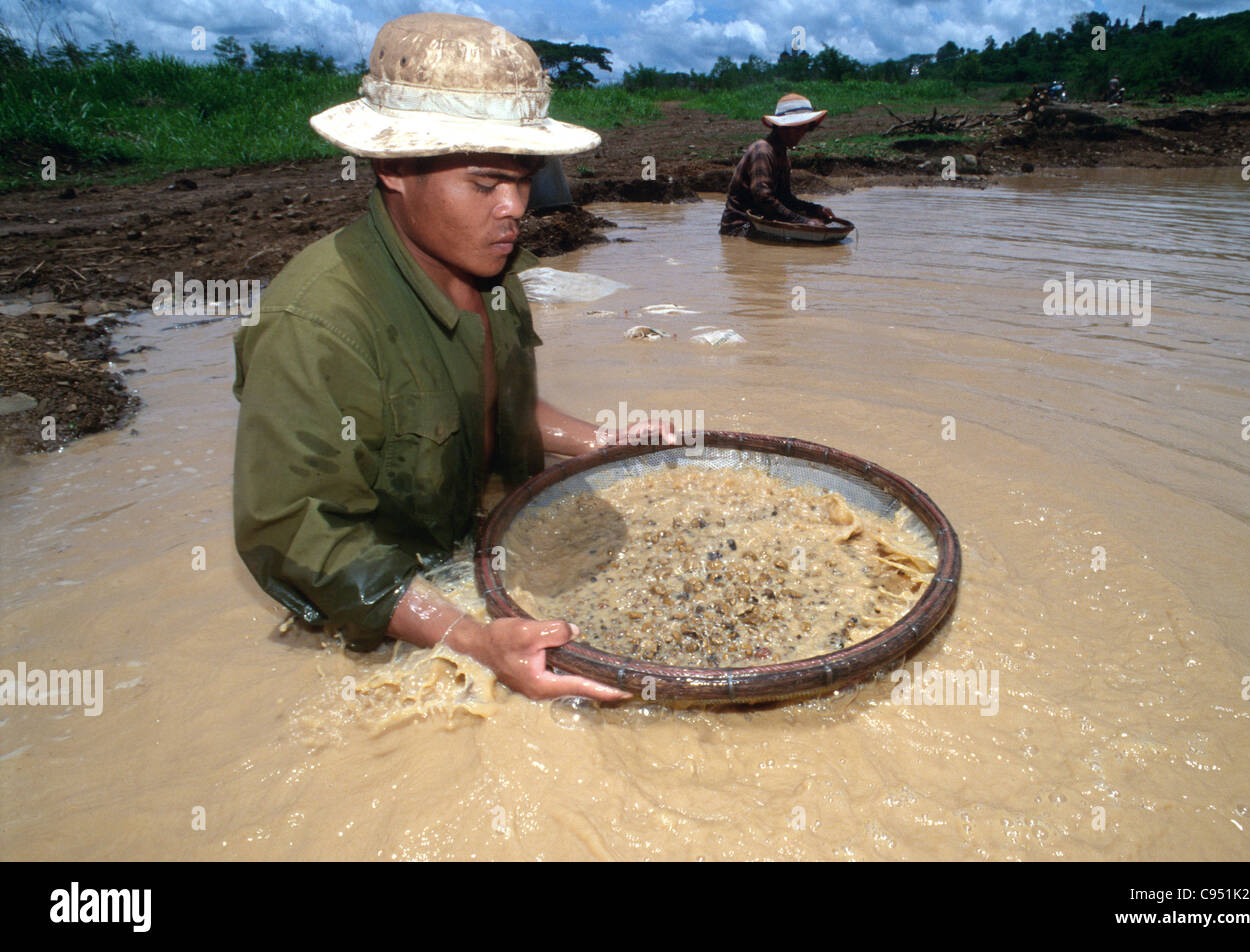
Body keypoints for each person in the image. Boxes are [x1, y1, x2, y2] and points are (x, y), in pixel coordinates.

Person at [232, 13, 665, 702]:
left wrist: (598, 440)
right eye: (486, 183)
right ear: (394, 168)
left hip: (489, 553)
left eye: (525, 180)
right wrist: (469, 639)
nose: (514, 208)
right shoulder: (316, 325)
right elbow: (299, 537)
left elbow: (494, 403)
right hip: (393, 611)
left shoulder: (494, 276)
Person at [719, 93, 836, 236]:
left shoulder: (782, 155)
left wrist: (815, 209)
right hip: (740, 228)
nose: (801, 134)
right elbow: (763, 198)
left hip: (762, 223)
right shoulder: (762, 151)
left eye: (804, 129)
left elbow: (785, 198)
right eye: (798, 128)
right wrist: (804, 222)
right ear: (783, 127)